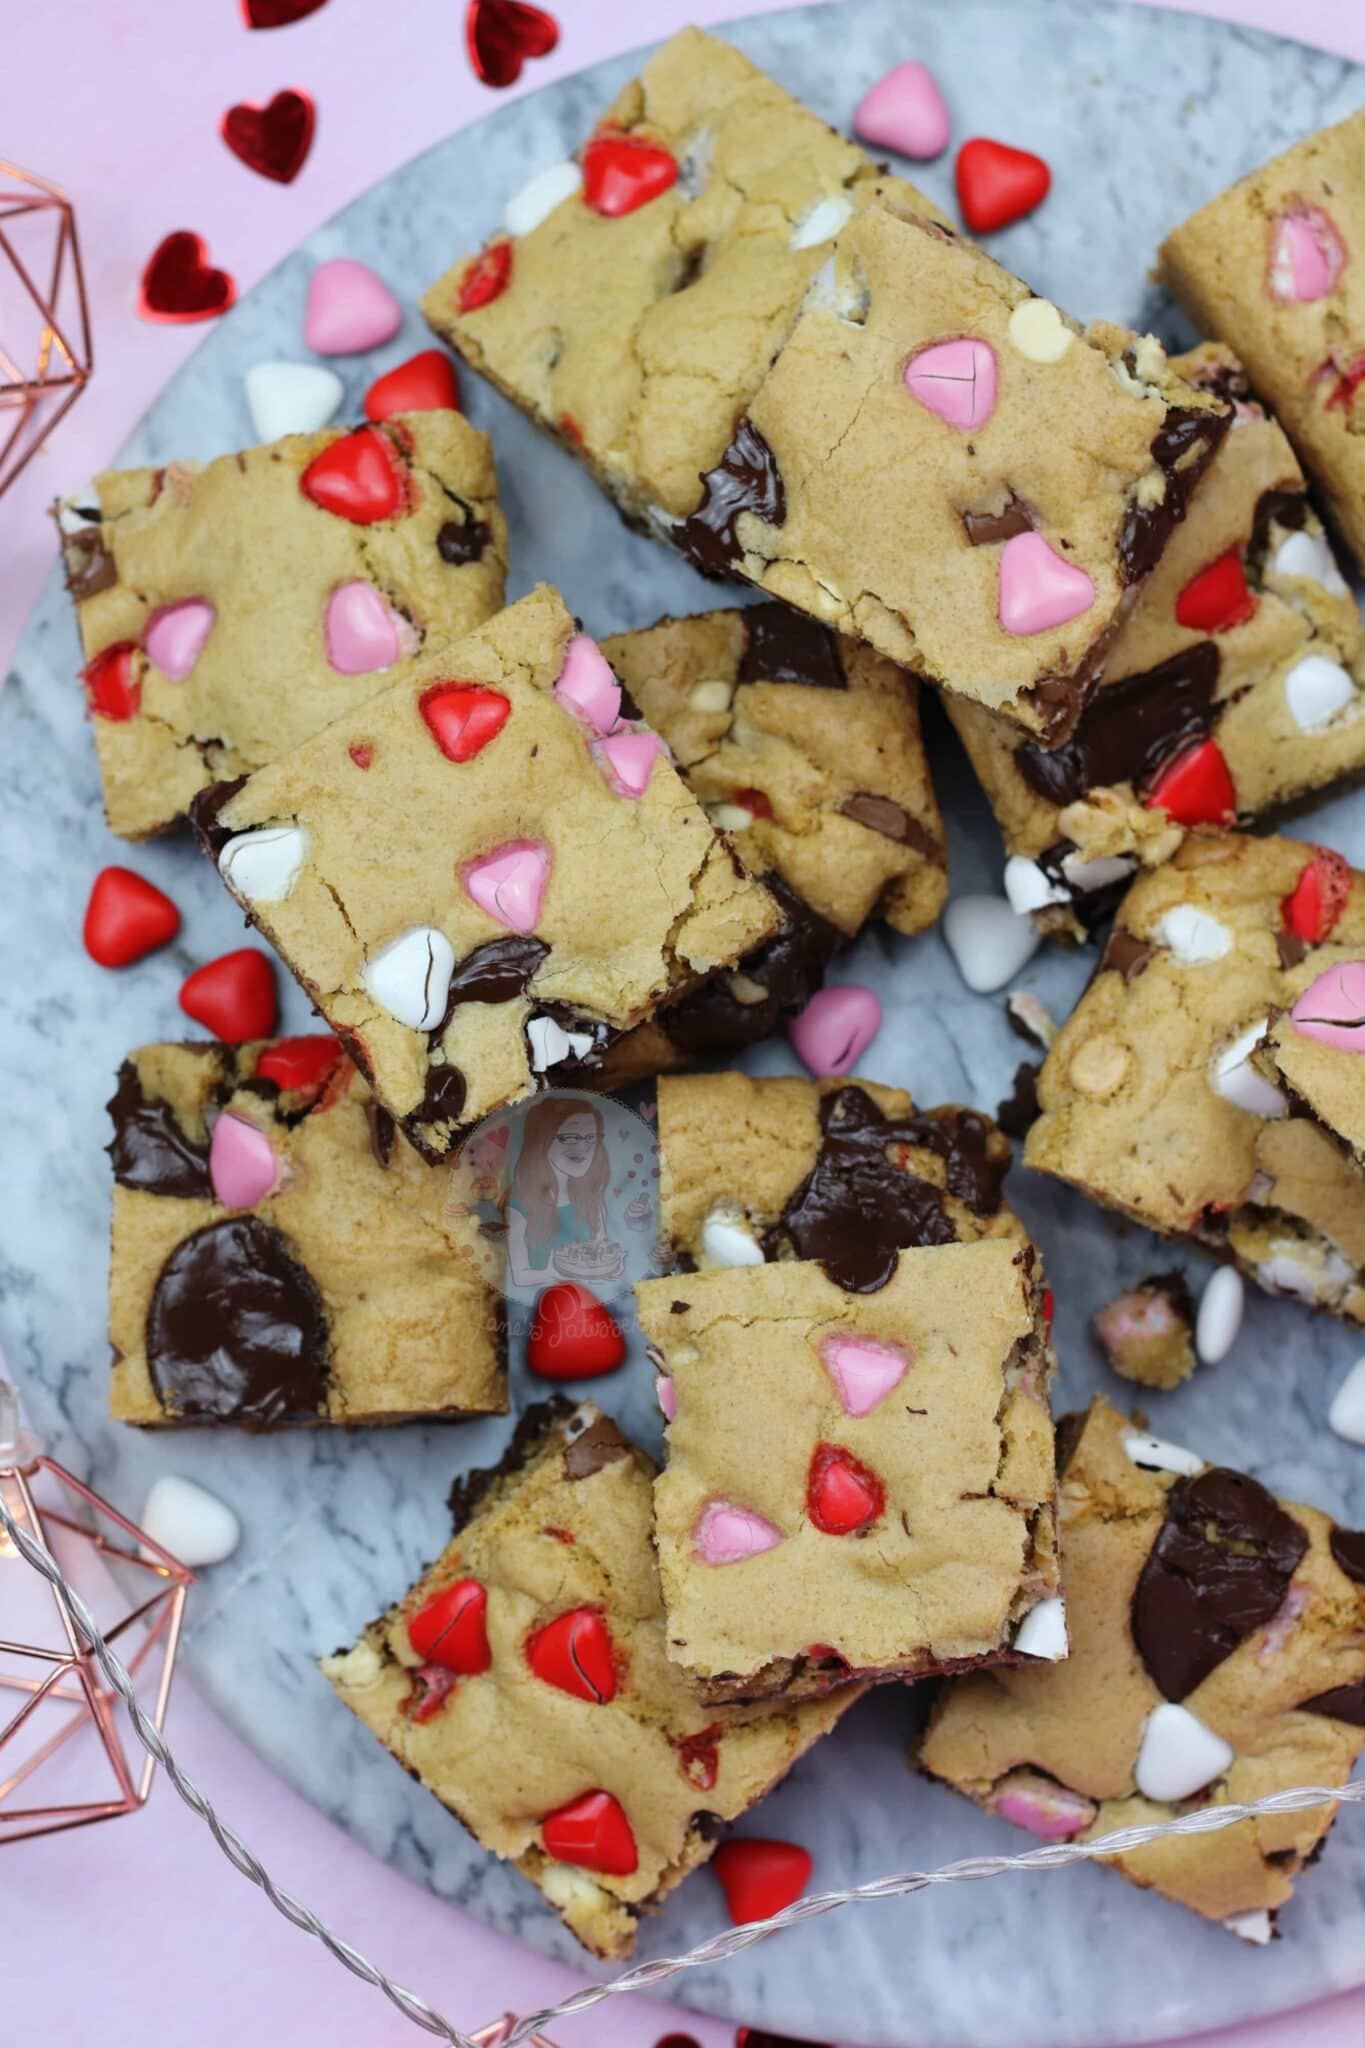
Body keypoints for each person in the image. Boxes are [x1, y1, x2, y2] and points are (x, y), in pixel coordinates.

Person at [504, 1098, 618, 1289]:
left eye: (590, 1137)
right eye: (571, 1137)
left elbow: (600, 1250)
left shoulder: (591, 1200)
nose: (583, 1148)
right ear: (543, 1138)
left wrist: (603, 1270)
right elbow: (520, 1275)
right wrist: (558, 1274)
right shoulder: (519, 1204)